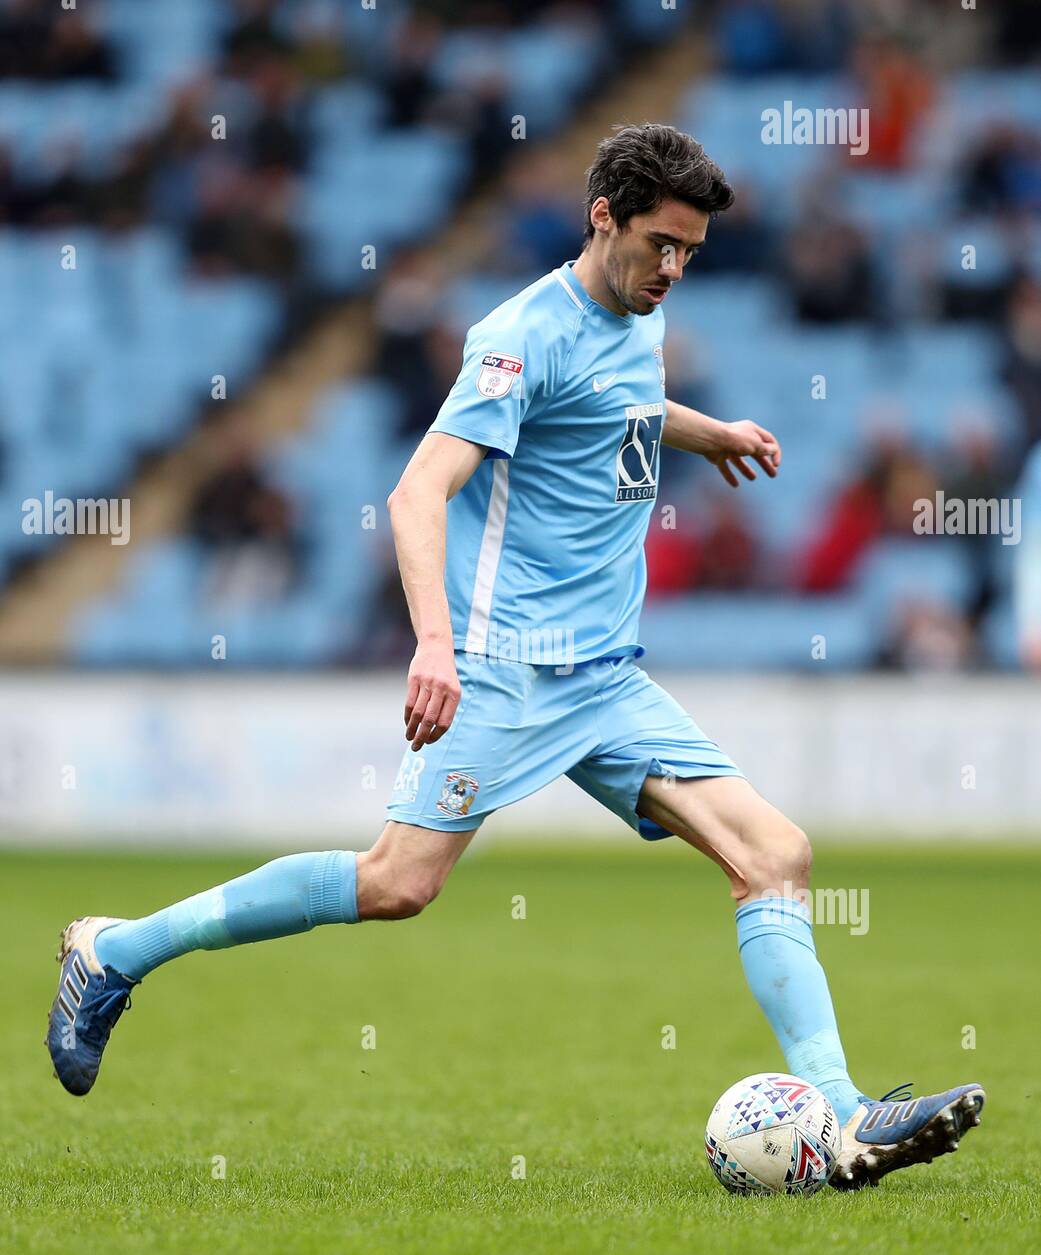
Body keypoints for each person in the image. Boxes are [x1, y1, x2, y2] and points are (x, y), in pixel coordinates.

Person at [47, 124, 983, 1189]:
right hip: (507, 669)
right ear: (604, 218)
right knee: (398, 884)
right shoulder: (515, 334)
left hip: (607, 678)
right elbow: (416, 491)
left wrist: (705, 430)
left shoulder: (641, 313)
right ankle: (111, 953)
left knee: (776, 854)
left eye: (692, 251)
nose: (674, 269)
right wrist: (435, 648)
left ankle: (850, 1116)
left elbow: (608, 403)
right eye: (660, 245)